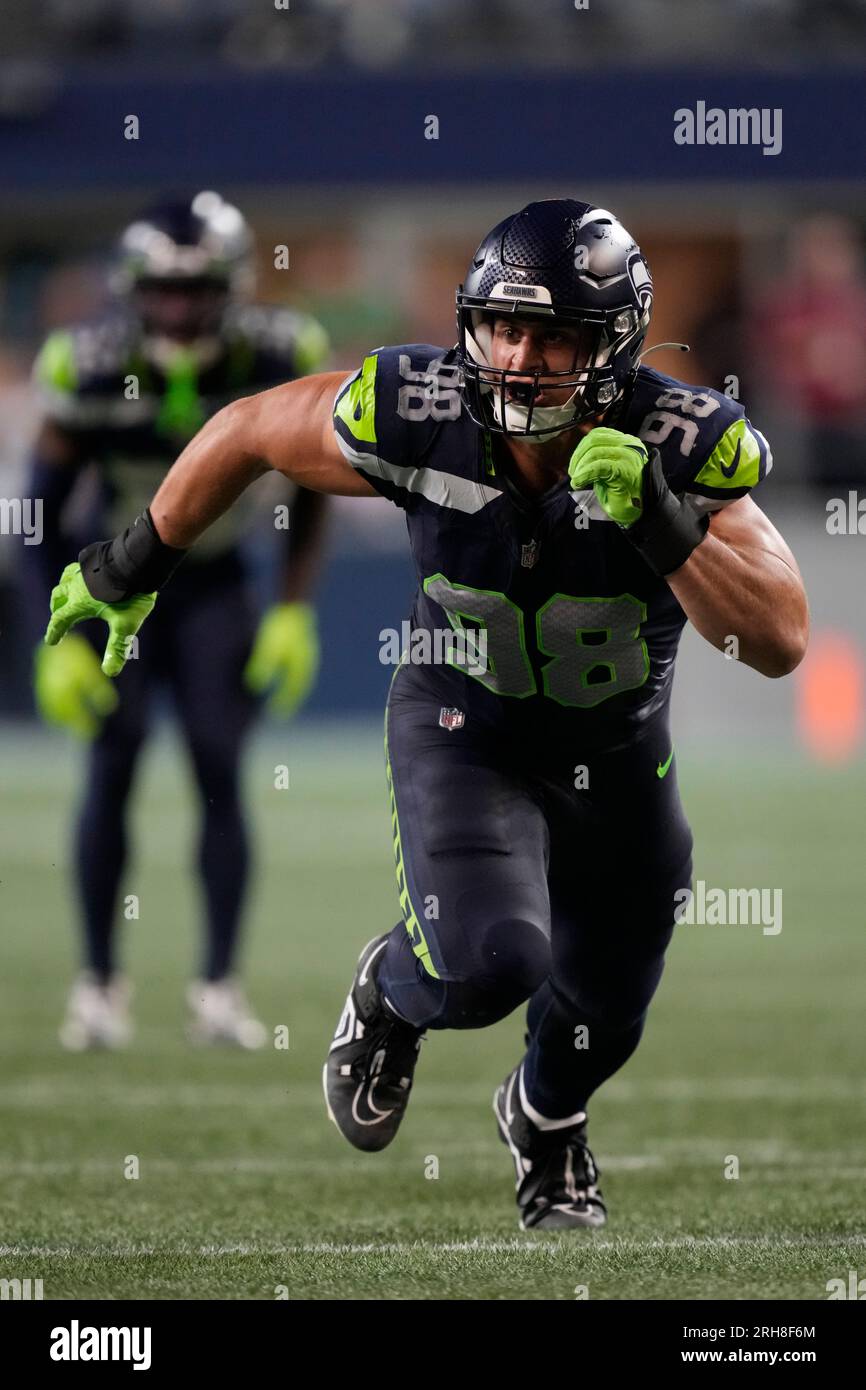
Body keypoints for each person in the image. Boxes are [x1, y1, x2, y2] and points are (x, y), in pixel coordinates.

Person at [41, 199, 808, 1227]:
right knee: (493, 961)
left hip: (617, 753)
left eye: (555, 336)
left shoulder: (678, 442)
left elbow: (776, 641)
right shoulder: (417, 407)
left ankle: (542, 1121)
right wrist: (134, 561)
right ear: (470, 323)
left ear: (613, 347)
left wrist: (663, 523)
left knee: (605, 1007)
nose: (521, 357)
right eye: (504, 326)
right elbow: (243, 430)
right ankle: (391, 990)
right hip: (465, 727)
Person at [28, 191, 330, 1050]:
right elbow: (38, 513)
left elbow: (312, 491)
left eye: (195, 289)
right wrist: (56, 642)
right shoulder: (87, 363)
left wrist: (292, 613)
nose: (177, 308)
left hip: (213, 583)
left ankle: (219, 989)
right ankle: (97, 986)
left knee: (218, 768)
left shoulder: (278, 353)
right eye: (160, 289)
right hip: (113, 581)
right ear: (131, 289)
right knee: (112, 766)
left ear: (231, 288)